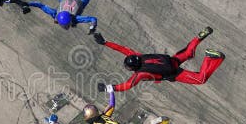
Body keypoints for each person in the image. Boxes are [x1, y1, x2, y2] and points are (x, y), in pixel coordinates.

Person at [93, 27, 224, 92]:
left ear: (133, 68)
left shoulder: (140, 73)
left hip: (174, 73)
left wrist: (107, 88)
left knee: (201, 79)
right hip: (172, 60)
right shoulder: (138, 55)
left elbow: (127, 85)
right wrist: (105, 42)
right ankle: (199, 37)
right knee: (188, 52)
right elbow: (122, 49)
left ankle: (209, 57)